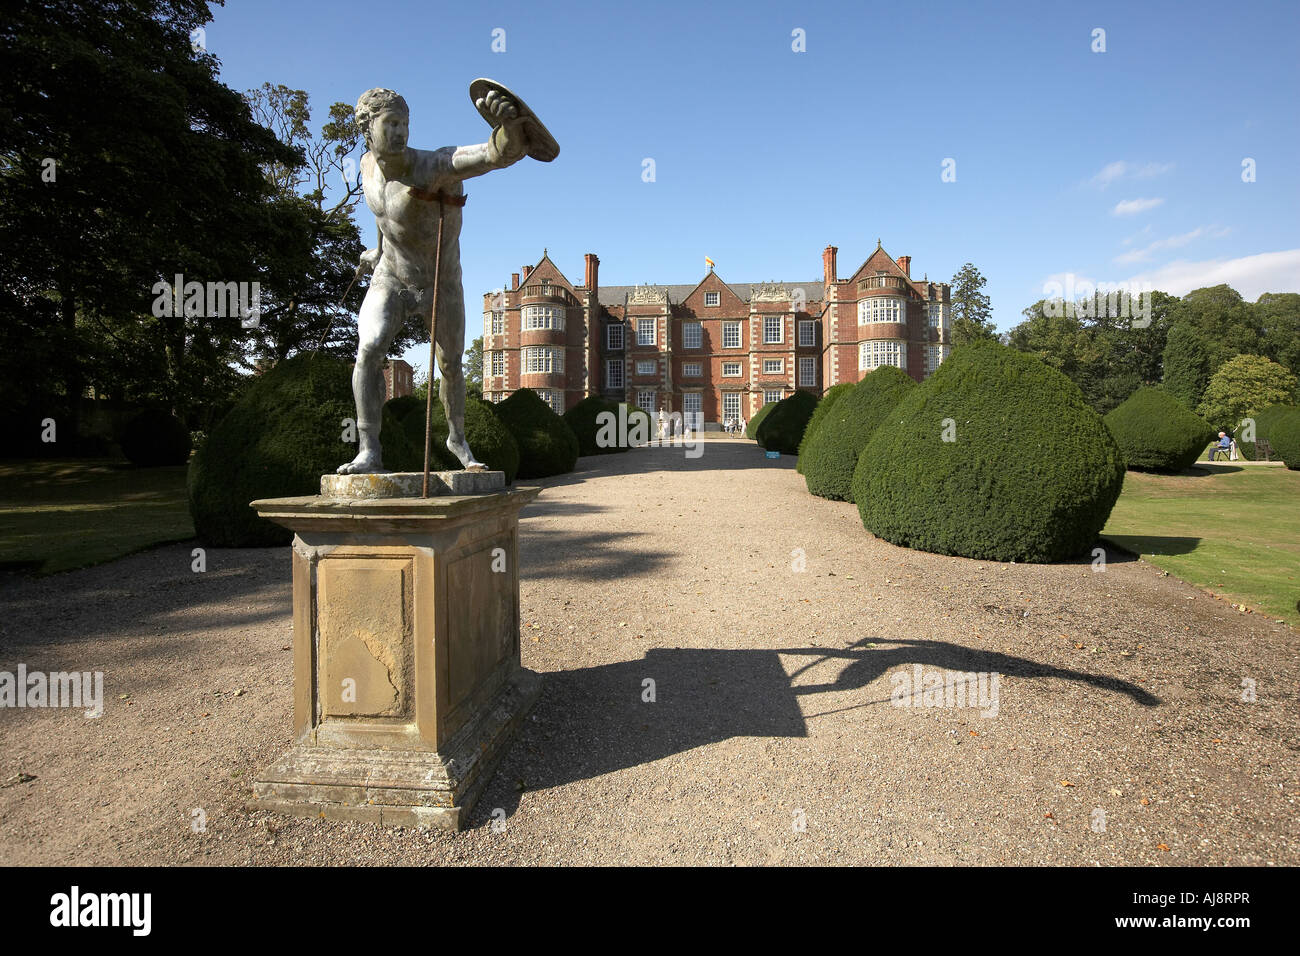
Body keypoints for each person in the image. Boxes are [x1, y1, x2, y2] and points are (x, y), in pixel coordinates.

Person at [338, 86, 535, 475]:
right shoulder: (366, 166)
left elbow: (495, 155)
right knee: (369, 350)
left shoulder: (433, 166)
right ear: (368, 129)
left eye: (405, 124)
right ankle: (369, 449)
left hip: (440, 283)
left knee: (451, 364)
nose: (400, 132)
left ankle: (457, 439)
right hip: (391, 276)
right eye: (391, 124)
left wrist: (508, 127)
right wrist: (376, 251)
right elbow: (383, 217)